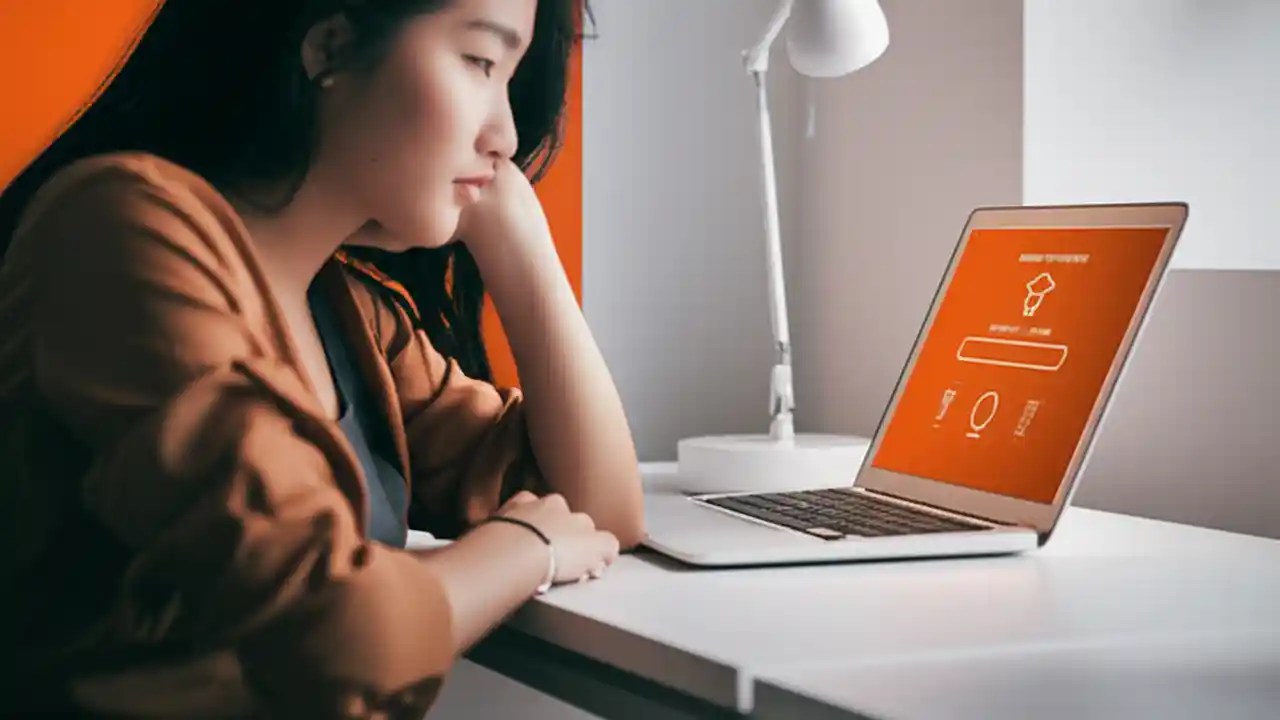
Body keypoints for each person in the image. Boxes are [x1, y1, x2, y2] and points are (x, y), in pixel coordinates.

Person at [0, 0, 644, 716]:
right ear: (329, 47)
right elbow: (342, 637)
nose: (506, 137)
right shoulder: (118, 235)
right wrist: (526, 546)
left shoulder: (351, 317)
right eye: (480, 62)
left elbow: (599, 508)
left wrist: (520, 241)